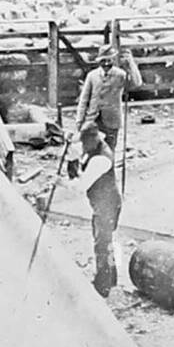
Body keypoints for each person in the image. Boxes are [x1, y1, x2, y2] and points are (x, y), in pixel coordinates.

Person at [60, 123, 121, 298]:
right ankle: (112, 278)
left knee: (101, 244)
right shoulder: (93, 148)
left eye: (85, 143)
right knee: (104, 241)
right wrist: (71, 151)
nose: (83, 147)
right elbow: (78, 167)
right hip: (101, 204)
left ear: (94, 139)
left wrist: (61, 183)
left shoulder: (101, 159)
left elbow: (81, 186)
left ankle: (103, 286)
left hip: (107, 205)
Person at [75, 44, 141, 152]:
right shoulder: (92, 75)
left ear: (113, 60)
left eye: (109, 61)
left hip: (112, 120)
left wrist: (131, 64)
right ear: (99, 61)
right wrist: (79, 119)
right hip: (92, 119)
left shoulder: (120, 75)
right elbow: (84, 100)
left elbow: (137, 83)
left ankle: (110, 169)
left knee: (109, 152)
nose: (106, 64)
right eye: (103, 61)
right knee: (90, 150)